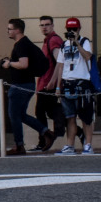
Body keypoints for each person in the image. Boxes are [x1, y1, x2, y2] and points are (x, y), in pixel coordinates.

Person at [0, 17, 49, 155]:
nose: (8, 31)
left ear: (17, 30)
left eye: (9, 29)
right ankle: (46, 133)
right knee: (20, 115)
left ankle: (19, 145)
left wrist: (9, 63)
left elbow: (23, 64)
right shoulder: (25, 43)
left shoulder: (21, 45)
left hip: (20, 86)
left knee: (14, 115)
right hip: (27, 84)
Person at [51, 16, 95, 155]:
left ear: (79, 29)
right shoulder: (64, 45)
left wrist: (76, 43)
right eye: (69, 29)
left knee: (86, 116)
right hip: (67, 83)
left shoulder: (84, 41)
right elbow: (60, 66)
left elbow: (88, 57)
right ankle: (70, 145)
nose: (72, 31)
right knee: (69, 117)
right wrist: (58, 86)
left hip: (82, 82)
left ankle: (88, 144)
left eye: (74, 29)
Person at [34, 16, 66, 152]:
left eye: (47, 24)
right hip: (44, 83)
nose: (44, 27)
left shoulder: (53, 41)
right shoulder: (48, 41)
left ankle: (44, 140)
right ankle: (78, 132)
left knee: (40, 112)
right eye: (42, 25)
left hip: (48, 85)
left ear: (52, 25)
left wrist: (54, 82)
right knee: (51, 112)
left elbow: (60, 62)